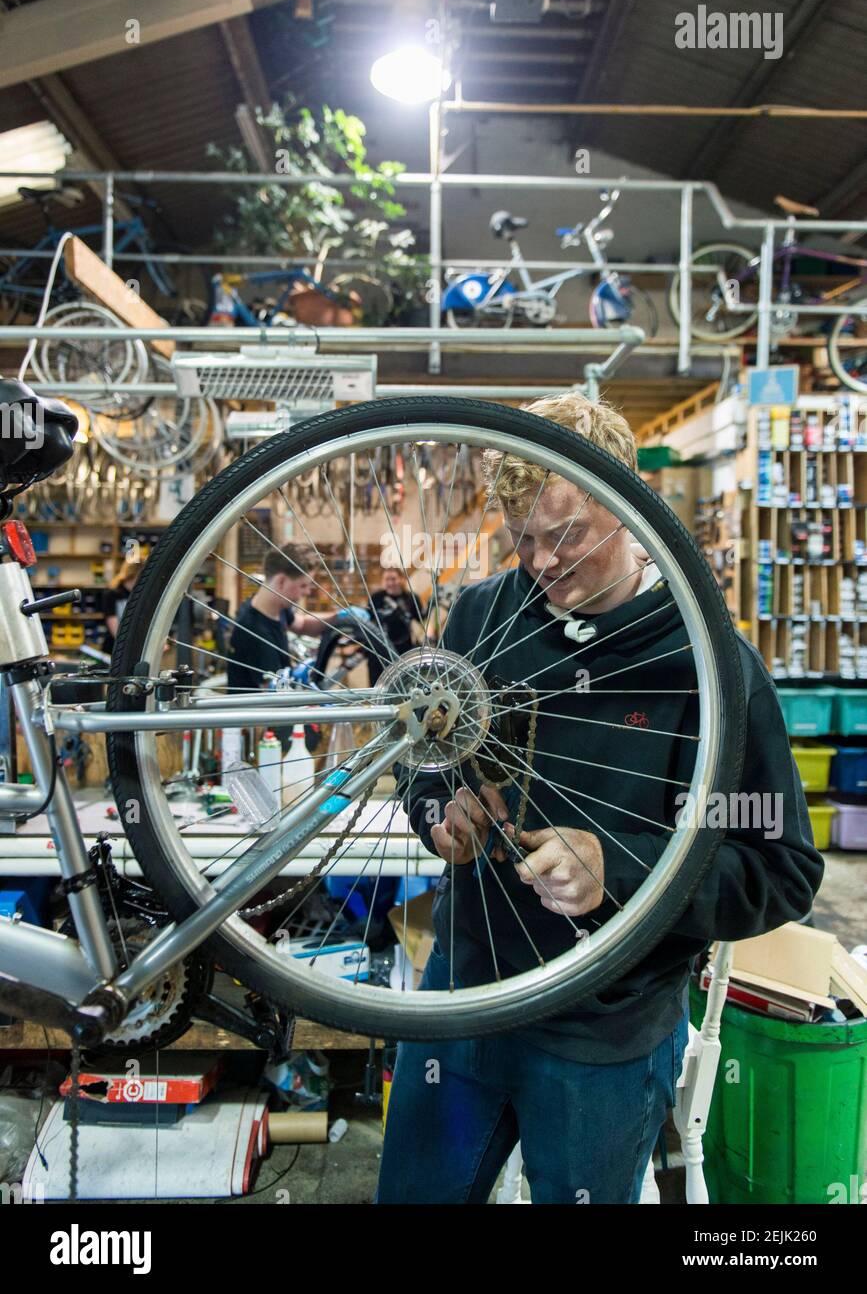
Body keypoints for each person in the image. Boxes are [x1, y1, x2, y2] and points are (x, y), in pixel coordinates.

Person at [377, 388, 825, 1205]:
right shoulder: (483, 612)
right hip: (462, 990)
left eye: (566, 535)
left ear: (632, 509)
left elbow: (782, 866)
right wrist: (437, 806)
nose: (542, 564)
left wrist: (619, 868)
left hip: (602, 1030)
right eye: (521, 541)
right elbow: (422, 749)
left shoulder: (711, 666)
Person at [224, 545, 340, 758]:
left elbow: (303, 624)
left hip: (273, 725)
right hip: (258, 736)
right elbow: (272, 696)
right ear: (281, 581)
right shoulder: (254, 631)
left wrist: (338, 618)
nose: (307, 592)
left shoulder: (276, 609)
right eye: (303, 585)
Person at [370, 568, 425, 656]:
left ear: (401, 579)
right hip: (380, 648)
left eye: (393, 579)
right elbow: (369, 620)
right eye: (387, 579)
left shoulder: (411, 598)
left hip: (404, 647)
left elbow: (422, 620)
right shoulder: (376, 598)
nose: (390, 583)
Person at [101, 554, 142, 656]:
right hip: (114, 649)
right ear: (133, 573)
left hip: (134, 648)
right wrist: (127, 646)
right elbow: (113, 625)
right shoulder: (112, 594)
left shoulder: (139, 596)